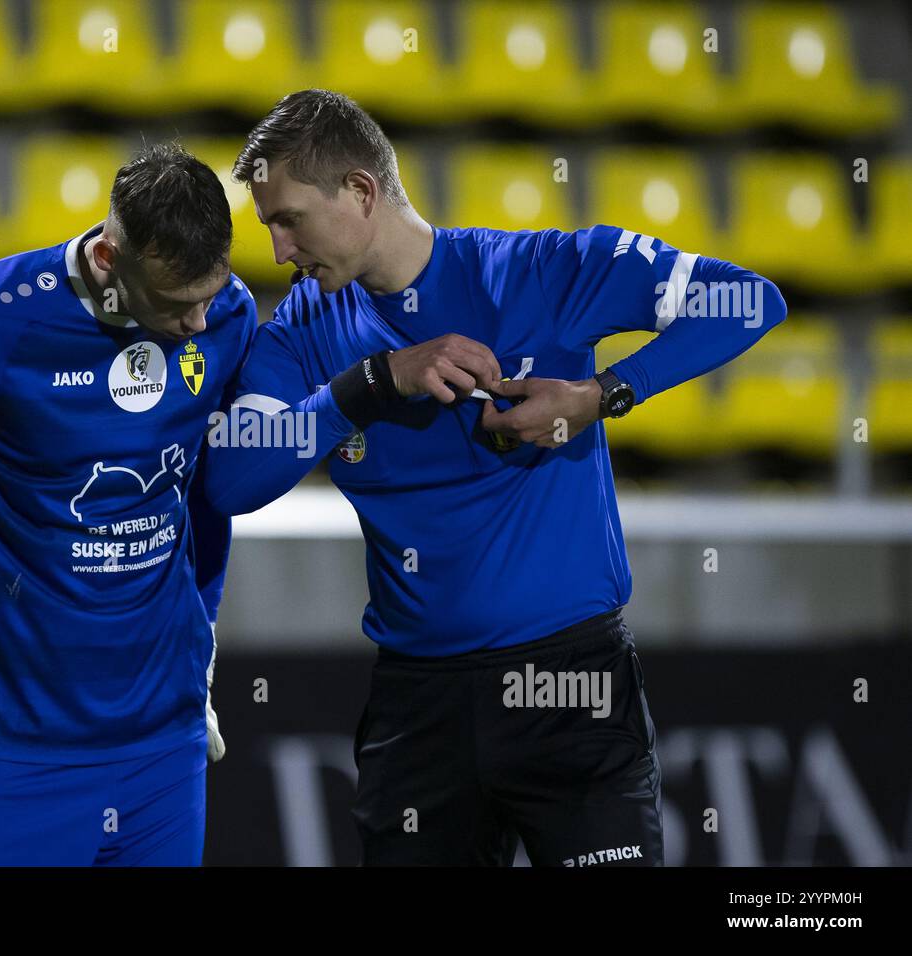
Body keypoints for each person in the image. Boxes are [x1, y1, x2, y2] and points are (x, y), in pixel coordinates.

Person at [203, 90, 787, 866]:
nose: (278, 250)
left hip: (568, 688)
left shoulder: (542, 272)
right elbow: (232, 480)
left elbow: (752, 300)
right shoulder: (302, 333)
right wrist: (374, 382)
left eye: (289, 219)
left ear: (361, 192)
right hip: (418, 707)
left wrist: (599, 396)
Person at [0, 141, 256, 865]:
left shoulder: (229, 315)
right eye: (176, 304)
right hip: (2, 758)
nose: (198, 323)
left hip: (163, 750)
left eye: (209, 295)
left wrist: (203, 648)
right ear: (106, 261)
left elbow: (209, 493)